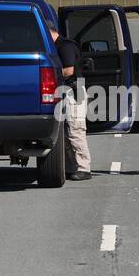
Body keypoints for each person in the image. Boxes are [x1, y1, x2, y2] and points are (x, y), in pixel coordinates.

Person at [49, 23, 91, 180]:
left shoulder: (64, 46)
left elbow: (69, 70)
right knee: (66, 133)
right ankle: (71, 167)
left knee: (75, 130)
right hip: (66, 93)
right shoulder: (56, 46)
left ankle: (84, 168)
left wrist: (48, 73)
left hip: (74, 92)